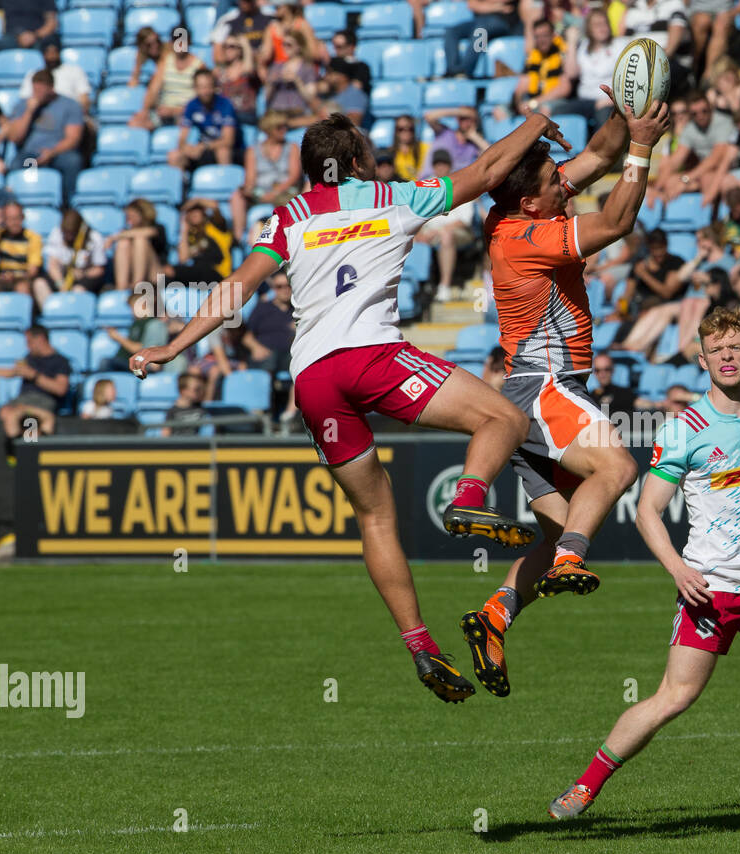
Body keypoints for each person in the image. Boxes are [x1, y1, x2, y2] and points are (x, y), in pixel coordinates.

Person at [129, 111, 572, 704]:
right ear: (358, 161)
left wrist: (174, 345)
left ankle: (421, 646)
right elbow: (489, 169)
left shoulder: (287, 217)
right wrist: (535, 122)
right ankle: (467, 500)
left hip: (313, 379)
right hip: (373, 358)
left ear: (311, 170)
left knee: (375, 517)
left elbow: (237, 287)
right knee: (504, 419)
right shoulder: (393, 196)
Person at [547, 307, 740, 820]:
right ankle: (585, 787)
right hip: (710, 590)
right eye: (716, 351)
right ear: (702, 361)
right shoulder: (685, 427)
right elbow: (648, 512)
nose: (727, 358)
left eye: (735, 348)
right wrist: (678, 570)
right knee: (675, 697)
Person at [457, 94, 672, 699]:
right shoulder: (531, 233)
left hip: (523, 399)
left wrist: (627, 118)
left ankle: (496, 616)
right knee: (620, 466)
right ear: (532, 198)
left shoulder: (511, 212)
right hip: (546, 386)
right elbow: (617, 223)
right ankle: (574, 562)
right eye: (558, 180)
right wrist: (644, 147)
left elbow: (598, 154)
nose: (566, 182)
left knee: (554, 533)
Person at [1, 70, 84, 207]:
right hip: (30, 156)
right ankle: (17, 204)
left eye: (41, 90)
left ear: (51, 88)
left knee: (72, 161)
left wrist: (52, 152)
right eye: (35, 89)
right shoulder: (23, 105)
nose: (37, 94)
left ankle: (68, 205)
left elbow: (73, 138)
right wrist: (29, 112)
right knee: (17, 164)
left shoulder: (69, 105)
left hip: (57, 154)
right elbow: (15, 137)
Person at [0, 325, 70, 445]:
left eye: (29, 342)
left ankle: (27, 451)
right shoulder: (29, 358)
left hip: (41, 403)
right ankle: (16, 452)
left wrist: (34, 376)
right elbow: (11, 372)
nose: (27, 346)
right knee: (8, 414)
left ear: (41, 339)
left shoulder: (60, 361)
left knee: (31, 422)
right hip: (22, 403)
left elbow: (60, 389)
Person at [412, 149, 478, 303]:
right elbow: (418, 215)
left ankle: (445, 286)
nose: (440, 167)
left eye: (444, 164)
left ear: (449, 165)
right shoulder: (425, 185)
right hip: (430, 230)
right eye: (437, 164)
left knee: (446, 236)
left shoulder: (461, 183)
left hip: (457, 231)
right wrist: (420, 232)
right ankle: (415, 288)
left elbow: (464, 221)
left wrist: (438, 231)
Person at [231, 111, 302, 246]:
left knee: (285, 198)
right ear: (269, 129)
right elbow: (250, 179)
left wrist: (275, 193)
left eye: (285, 126)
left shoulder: (291, 147)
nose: (284, 130)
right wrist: (249, 190)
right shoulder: (253, 150)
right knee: (237, 196)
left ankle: (283, 239)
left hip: (284, 191)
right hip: (261, 191)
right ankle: (239, 239)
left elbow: (294, 176)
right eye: (279, 127)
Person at [169, 69, 245, 170]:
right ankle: (182, 184)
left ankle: (225, 183)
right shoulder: (191, 105)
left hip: (226, 150)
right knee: (174, 156)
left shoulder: (225, 104)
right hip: (203, 149)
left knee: (223, 151)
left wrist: (204, 146)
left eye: (208, 87)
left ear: (214, 87)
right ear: (195, 88)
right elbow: (182, 139)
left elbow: (228, 141)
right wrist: (187, 148)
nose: (205, 91)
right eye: (201, 87)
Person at [35, 208, 108, 306]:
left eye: (72, 233)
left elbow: (99, 269)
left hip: (84, 276)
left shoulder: (95, 237)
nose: (68, 237)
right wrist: (60, 284)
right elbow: (52, 265)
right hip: (62, 275)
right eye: (66, 233)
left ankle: (73, 312)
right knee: (39, 284)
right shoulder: (56, 233)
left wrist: (83, 273)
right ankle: (51, 313)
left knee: (78, 291)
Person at [0, 201, 41, 296]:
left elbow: (33, 271)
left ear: (23, 218)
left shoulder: (33, 237)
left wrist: (15, 277)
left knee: (22, 289)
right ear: (4, 220)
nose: (14, 222)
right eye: (10, 219)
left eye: (17, 218)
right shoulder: (0, 235)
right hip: (2, 281)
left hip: (22, 280)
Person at [162, 371, 208, 437]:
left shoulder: (200, 407)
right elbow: (166, 434)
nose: (200, 392)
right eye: (196, 389)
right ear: (184, 391)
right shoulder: (172, 411)